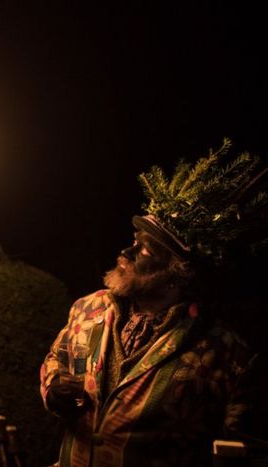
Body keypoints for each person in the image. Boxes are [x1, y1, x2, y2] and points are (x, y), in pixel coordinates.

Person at [40, 140, 264, 466]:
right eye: (134, 241)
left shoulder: (223, 351)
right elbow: (55, 360)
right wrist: (54, 388)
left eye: (145, 249)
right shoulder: (87, 309)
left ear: (178, 272)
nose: (126, 253)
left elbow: (241, 446)